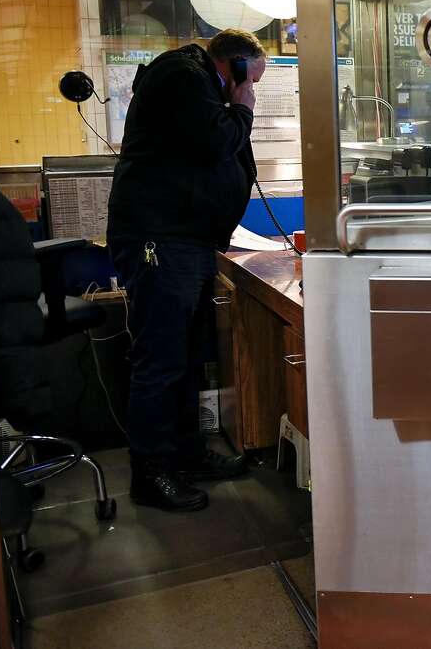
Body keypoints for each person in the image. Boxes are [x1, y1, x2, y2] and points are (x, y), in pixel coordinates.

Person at [107, 29, 266, 512]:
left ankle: (186, 452)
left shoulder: (196, 83)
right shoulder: (180, 76)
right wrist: (242, 107)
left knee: (190, 356)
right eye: (250, 78)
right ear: (233, 65)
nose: (251, 88)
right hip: (161, 241)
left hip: (189, 242)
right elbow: (215, 143)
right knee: (162, 359)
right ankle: (151, 473)